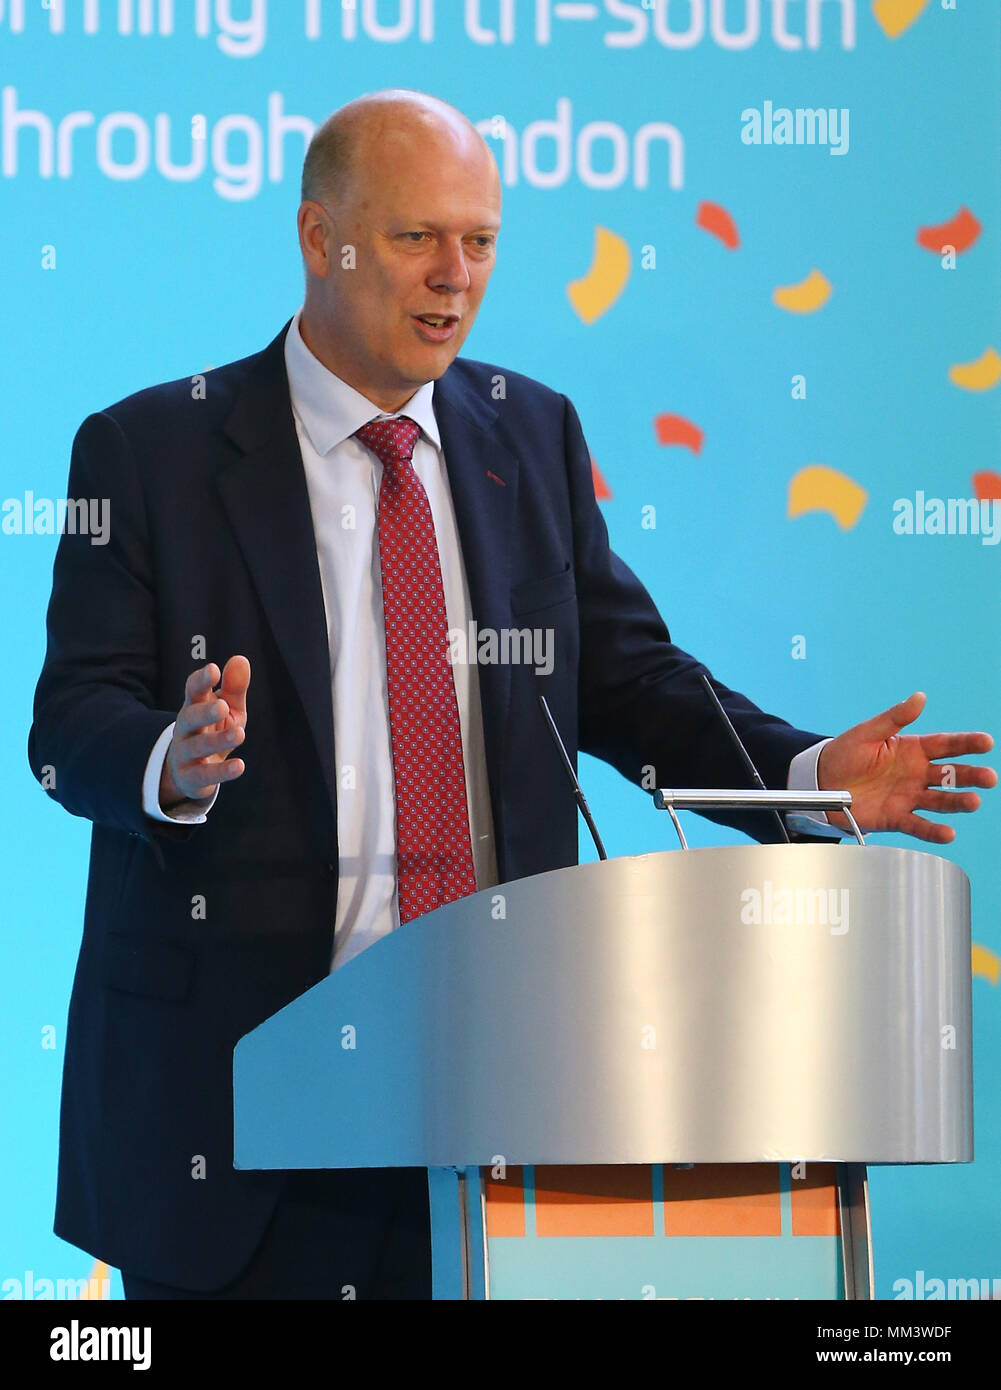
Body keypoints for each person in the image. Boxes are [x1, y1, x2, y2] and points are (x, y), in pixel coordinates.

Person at [28, 89, 995, 1301]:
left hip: (499, 1098)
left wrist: (800, 777)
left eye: (479, 241)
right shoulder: (151, 450)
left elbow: (628, 681)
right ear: (319, 238)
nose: (454, 276)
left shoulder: (524, 432)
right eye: (414, 238)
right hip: (237, 1115)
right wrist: (169, 762)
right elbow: (70, 721)